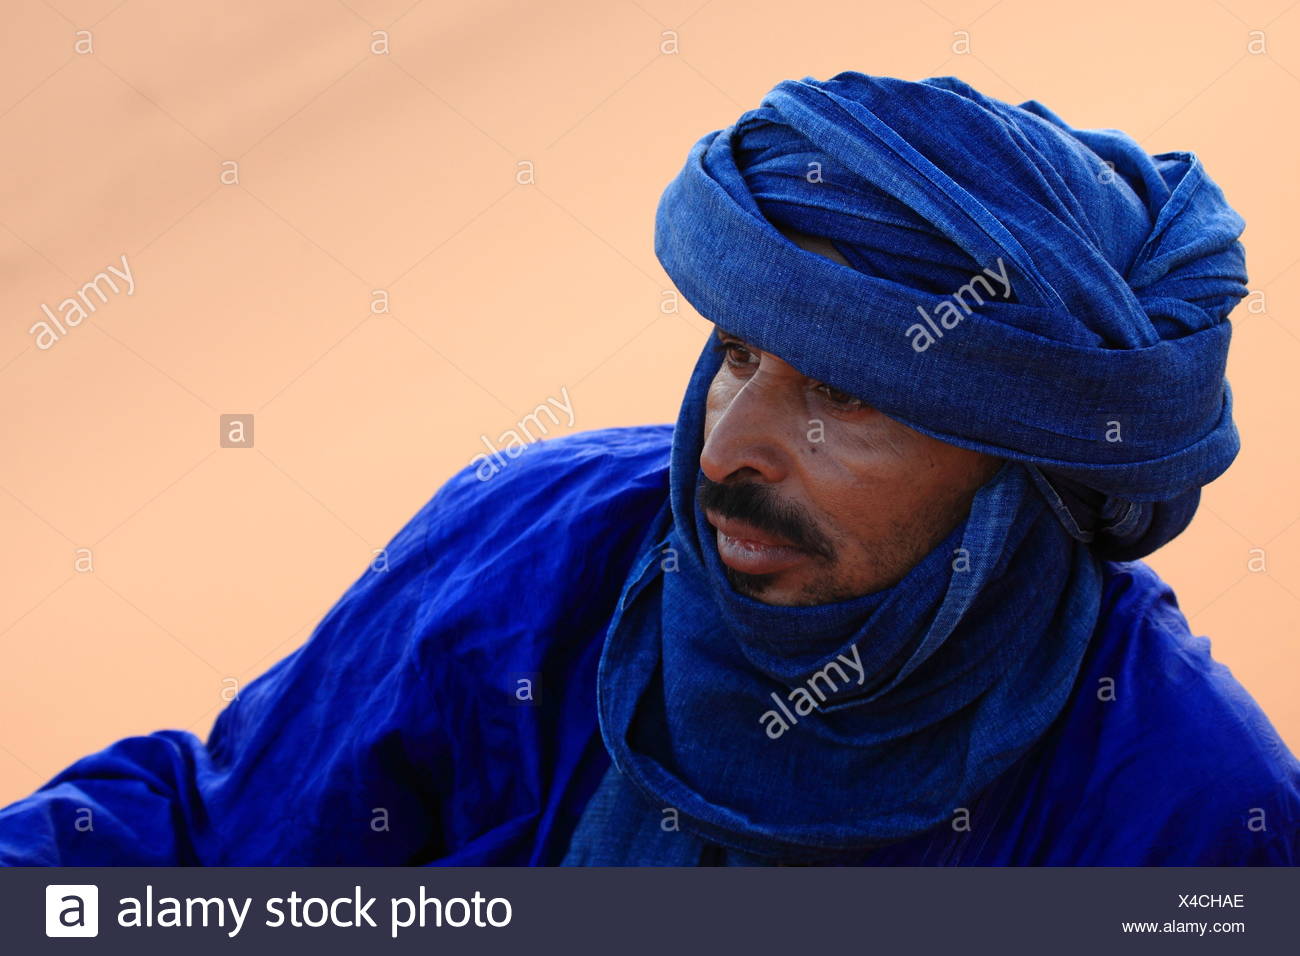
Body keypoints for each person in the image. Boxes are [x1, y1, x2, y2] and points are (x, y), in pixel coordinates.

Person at [2, 71, 1297, 866]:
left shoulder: (1186, 809)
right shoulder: (531, 556)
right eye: (735, 356)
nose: (729, 453)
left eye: (840, 395)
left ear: (1021, 478)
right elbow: (224, 854)